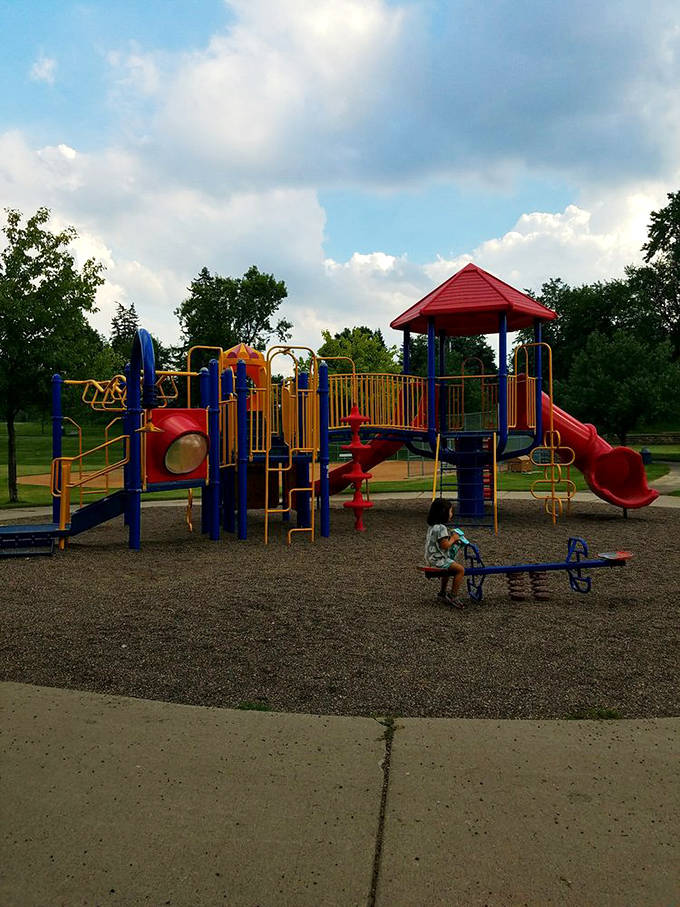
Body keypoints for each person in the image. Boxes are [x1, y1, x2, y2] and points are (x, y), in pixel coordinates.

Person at [425, 498, 469, 609]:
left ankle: (442, 593)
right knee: (460, 570)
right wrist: (454, 539)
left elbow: (439, 543)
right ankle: (453, 596)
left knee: (450, 568)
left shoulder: (433, 526)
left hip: (431, 558)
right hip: (438, 559)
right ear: (443, 513)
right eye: (450, 511)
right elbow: (444, 545)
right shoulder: (442, 528)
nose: (451, 514)